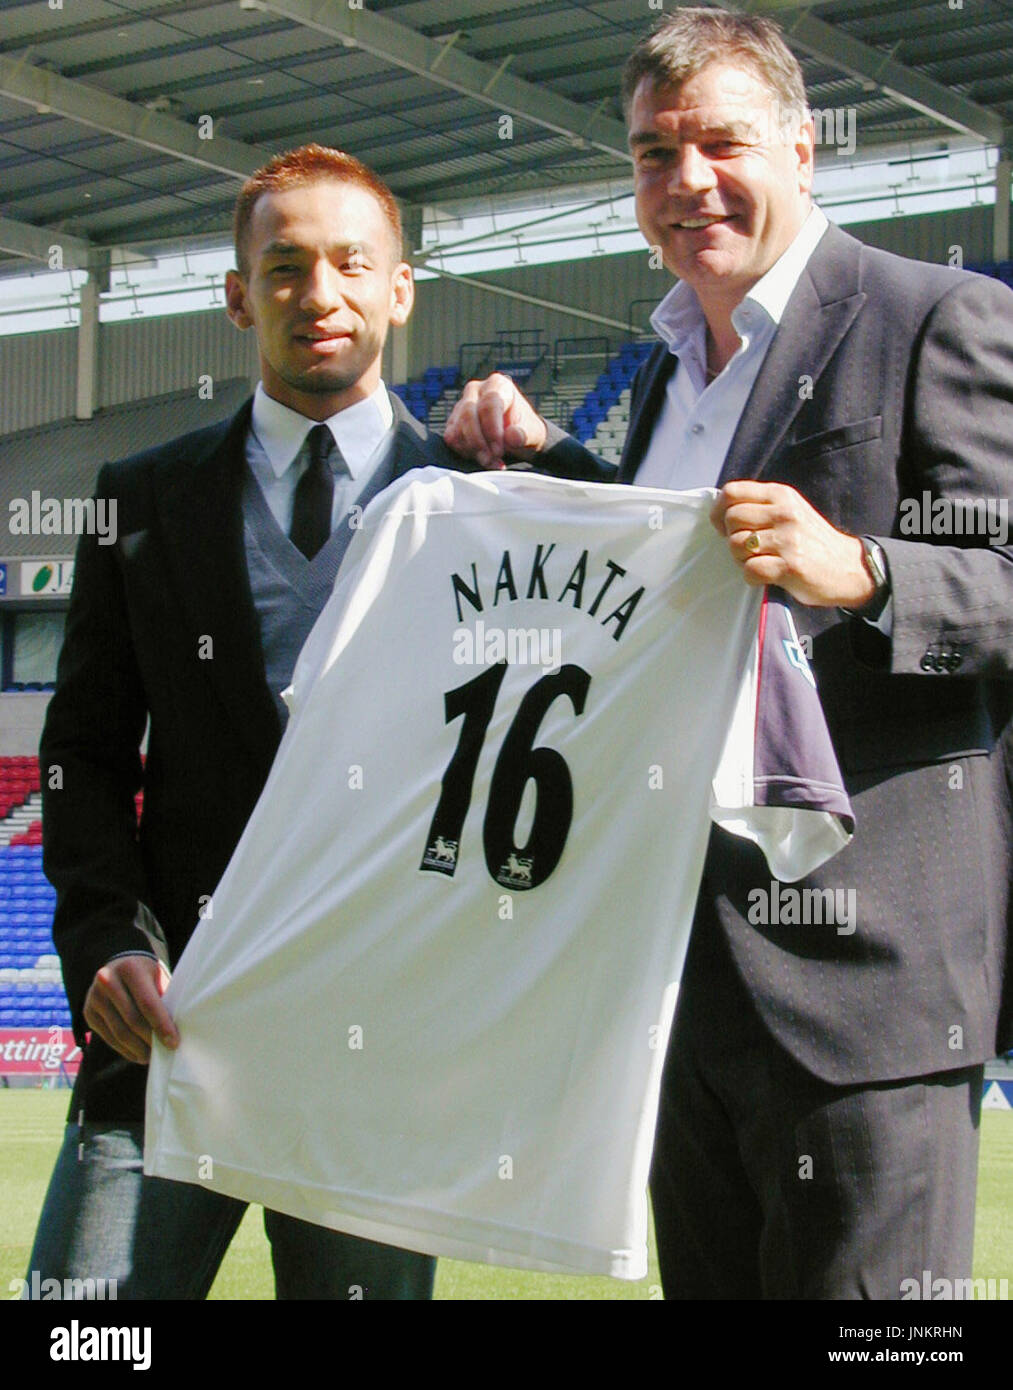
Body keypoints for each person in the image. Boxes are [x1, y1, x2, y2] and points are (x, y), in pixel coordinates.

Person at [444, 10, 1013, 1298]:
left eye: (719, 142)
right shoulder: (657, 379)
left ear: (802, 151)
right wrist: (551, 469)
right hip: (673, 974)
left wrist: (862, 570)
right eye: (652, 152)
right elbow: (677, 593)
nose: (684, 180)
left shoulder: (935, 318)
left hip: (863, 989)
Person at [28, 144, 462, 1299]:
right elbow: (80, 751)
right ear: (237, 295)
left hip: (378, 1045)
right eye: (284, 267)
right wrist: (106, 940)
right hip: (168, 1023)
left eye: (349, 264)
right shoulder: (141, 498)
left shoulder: (482, 506)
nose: (319, 294)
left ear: (398, 287)